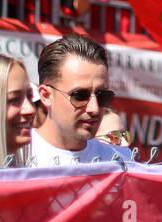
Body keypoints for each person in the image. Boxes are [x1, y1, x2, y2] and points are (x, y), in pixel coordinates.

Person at [31, 35, 133, 165]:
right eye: (80, 96)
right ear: (46, 96)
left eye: (102, 95)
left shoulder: (122, 161)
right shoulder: (15, 158)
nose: (94, 108)